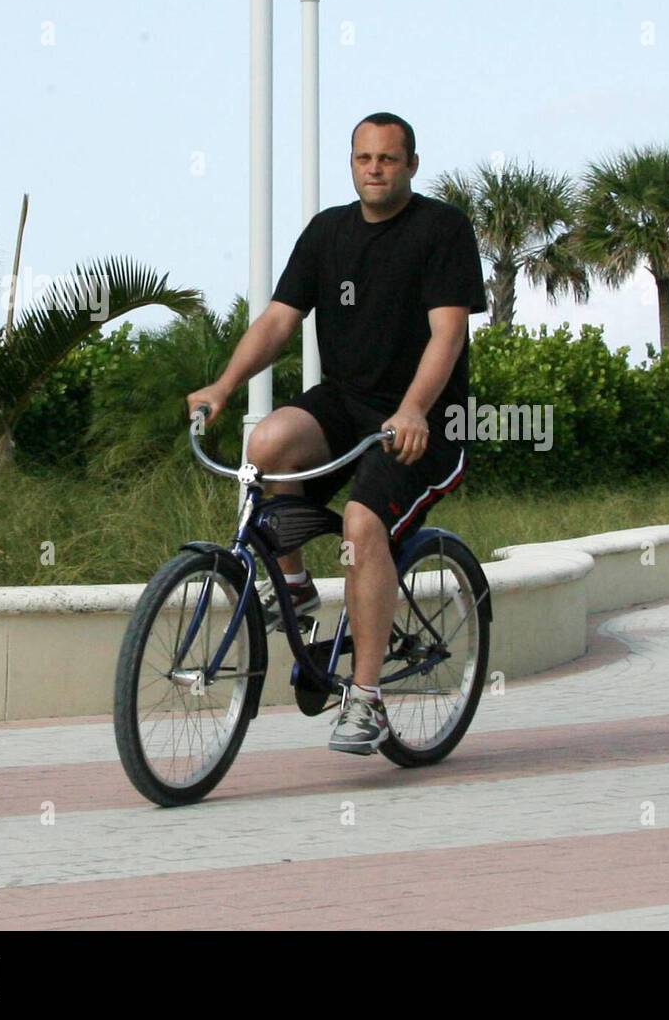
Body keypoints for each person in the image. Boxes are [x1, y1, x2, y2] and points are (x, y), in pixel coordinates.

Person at [186, 112, 486, 753]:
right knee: (266, 444)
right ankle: (293, 586)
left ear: (410, 163)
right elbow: (277, 320)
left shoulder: (442, 230)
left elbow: (449, 333)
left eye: (387, 158)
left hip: (426, 421)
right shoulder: (328, 232)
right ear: (351, 164)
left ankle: (368, 699)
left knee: (361, 523)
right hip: (346, 403)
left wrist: (410, 411)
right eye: (363, 159)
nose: (374, 169)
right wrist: (223, 385)